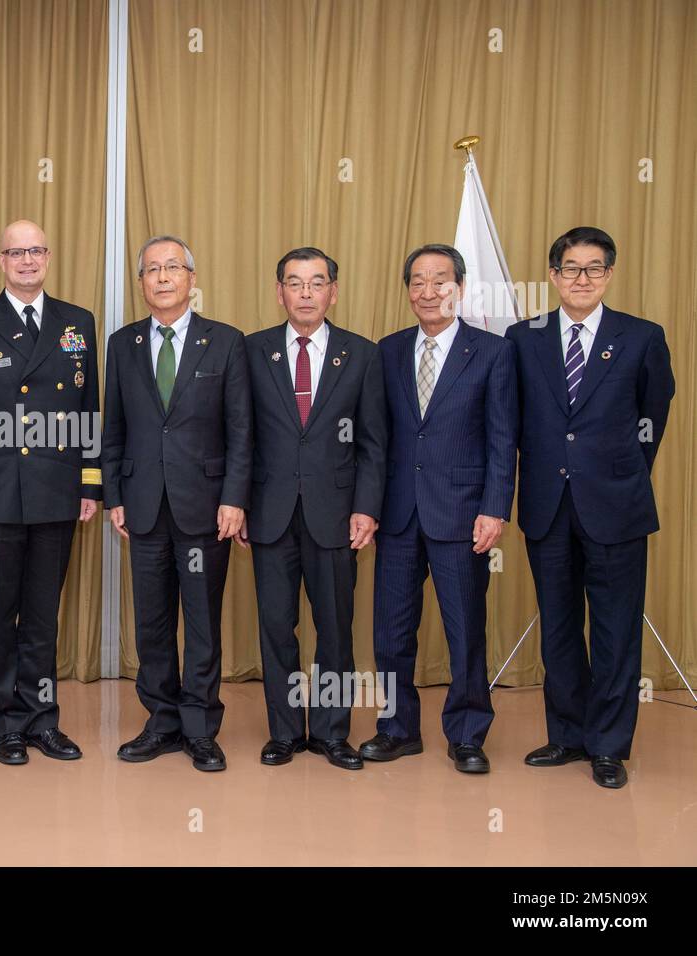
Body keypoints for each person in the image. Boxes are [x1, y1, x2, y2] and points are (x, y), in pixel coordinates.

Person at [505, 226, 674, 789]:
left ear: (609, 274)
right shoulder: (522, 337)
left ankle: (608, 745)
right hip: (547, 507)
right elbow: (512, 422)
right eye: (571, 268)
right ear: (553, 276)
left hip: (616, 507)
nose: (582, 278)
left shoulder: (642, 337)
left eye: (593, 268)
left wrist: (618, 474)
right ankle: (567, 735)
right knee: (558, 629)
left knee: (614, 630)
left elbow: (651, 420)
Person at [0, 220, 100, 765]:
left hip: (56, 492)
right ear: (1, 260)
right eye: (16, 252)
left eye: (35, 250)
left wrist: (89, 483)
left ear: (48, 256)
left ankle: (41, 719)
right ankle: (3, 721)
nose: (27, 260)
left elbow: (88, 412)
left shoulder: (77, 323)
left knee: (42, 615)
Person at [359, 244, 517, 774]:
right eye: (418, 282)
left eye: (440, 281)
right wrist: (370, 505)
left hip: (463, 514)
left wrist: (495, 507)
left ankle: (468, 733)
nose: (429, 291)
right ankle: (397, 729)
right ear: (408, 290)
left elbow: (503, 438)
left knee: (465, 630)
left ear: (460, 286)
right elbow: (375, 440)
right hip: (399, 514)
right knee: (390, 632)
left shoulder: (493, 352)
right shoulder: (387, 350)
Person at [101, 235, 250, 772]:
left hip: (207, 508)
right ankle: (161, 721)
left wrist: (235, 498)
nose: (162, 278)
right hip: (142, 507)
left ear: (191, 278)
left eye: (172, 268)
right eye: (151, 270)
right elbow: (112, 429)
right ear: (140, 282)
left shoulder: (226, 342)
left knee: (203, 619)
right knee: (153, 621)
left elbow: (241, 430)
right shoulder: (122, 345)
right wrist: (114, 496)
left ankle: (200, 727)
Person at [240, 247, 386, 771]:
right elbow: (242, 435)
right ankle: (283, 731)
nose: (305, 293)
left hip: (336, 515)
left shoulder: (362, 355)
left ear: (333, 292)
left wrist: (367, 507)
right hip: (269, 513)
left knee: (335, 629)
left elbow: (373, 443)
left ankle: (330, 732)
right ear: (279, 291)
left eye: (316, 282)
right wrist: (236, 503)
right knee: (276, 628)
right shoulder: (252, 351)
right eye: (295, 283)